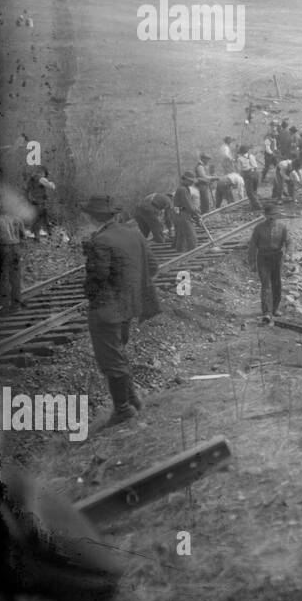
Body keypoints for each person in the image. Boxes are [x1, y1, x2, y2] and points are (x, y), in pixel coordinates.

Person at [81, 195, 160, 424]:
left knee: (111, 358)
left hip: (106, 310)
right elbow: (153, 266)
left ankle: (123, 410)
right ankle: (133, 400)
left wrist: (89, 290)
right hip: (130, 306)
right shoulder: (134, 233)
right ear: (113, 214)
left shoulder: (100, 240)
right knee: (118, 353)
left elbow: (97, 278)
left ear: (91, 217)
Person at [247, 201, 291, 324]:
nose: (273, 217)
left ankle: (275, 308)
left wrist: (288, 254)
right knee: (265, 285)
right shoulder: (259, 228)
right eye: (270, 215)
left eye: (275, 214)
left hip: (277, 257)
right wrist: (251, 262)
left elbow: (289, 242)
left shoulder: (282, 227)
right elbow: (252, 246)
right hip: (263, 258)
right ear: (265, 215)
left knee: (277, 284)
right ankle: (266, 311)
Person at [0, 210, 27, 311]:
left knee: (3, 276)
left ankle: (4, 305)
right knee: (16, 276)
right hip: (16, 248)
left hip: (3, 248)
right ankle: (16, 304)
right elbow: (23, 236)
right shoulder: (17, 219)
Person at [171, 174, 200, 252]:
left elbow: (189, 204)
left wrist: (195, 211)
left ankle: (180, 251)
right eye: (190, 181)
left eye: (192, 181)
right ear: (184, 180)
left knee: (181, 235)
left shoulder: (183, 188)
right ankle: (193, 252)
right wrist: (196, 214)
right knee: (191, 235)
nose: (191, 183)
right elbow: (188, 206)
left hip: (179, 213)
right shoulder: (183, 189)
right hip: (182, 214)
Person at [26, 167, 56, 238]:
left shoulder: (32, 179)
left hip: (33, 200)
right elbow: (51, 187)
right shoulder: (41, 179)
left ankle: (37, 230)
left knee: (40, 216)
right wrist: (52, 183)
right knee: (39, 216)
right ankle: (32, 231)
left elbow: (28, 189)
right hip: (40, 201)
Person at [236, 145, 261, 210]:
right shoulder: (252, 156)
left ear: (241, 152)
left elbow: (239, 170)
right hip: (256, 173)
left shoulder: (239, 159)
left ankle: (258, 206)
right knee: (254, 190)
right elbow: (256, 166)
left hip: (248, 175)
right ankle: (253, 205)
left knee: (249, 192)